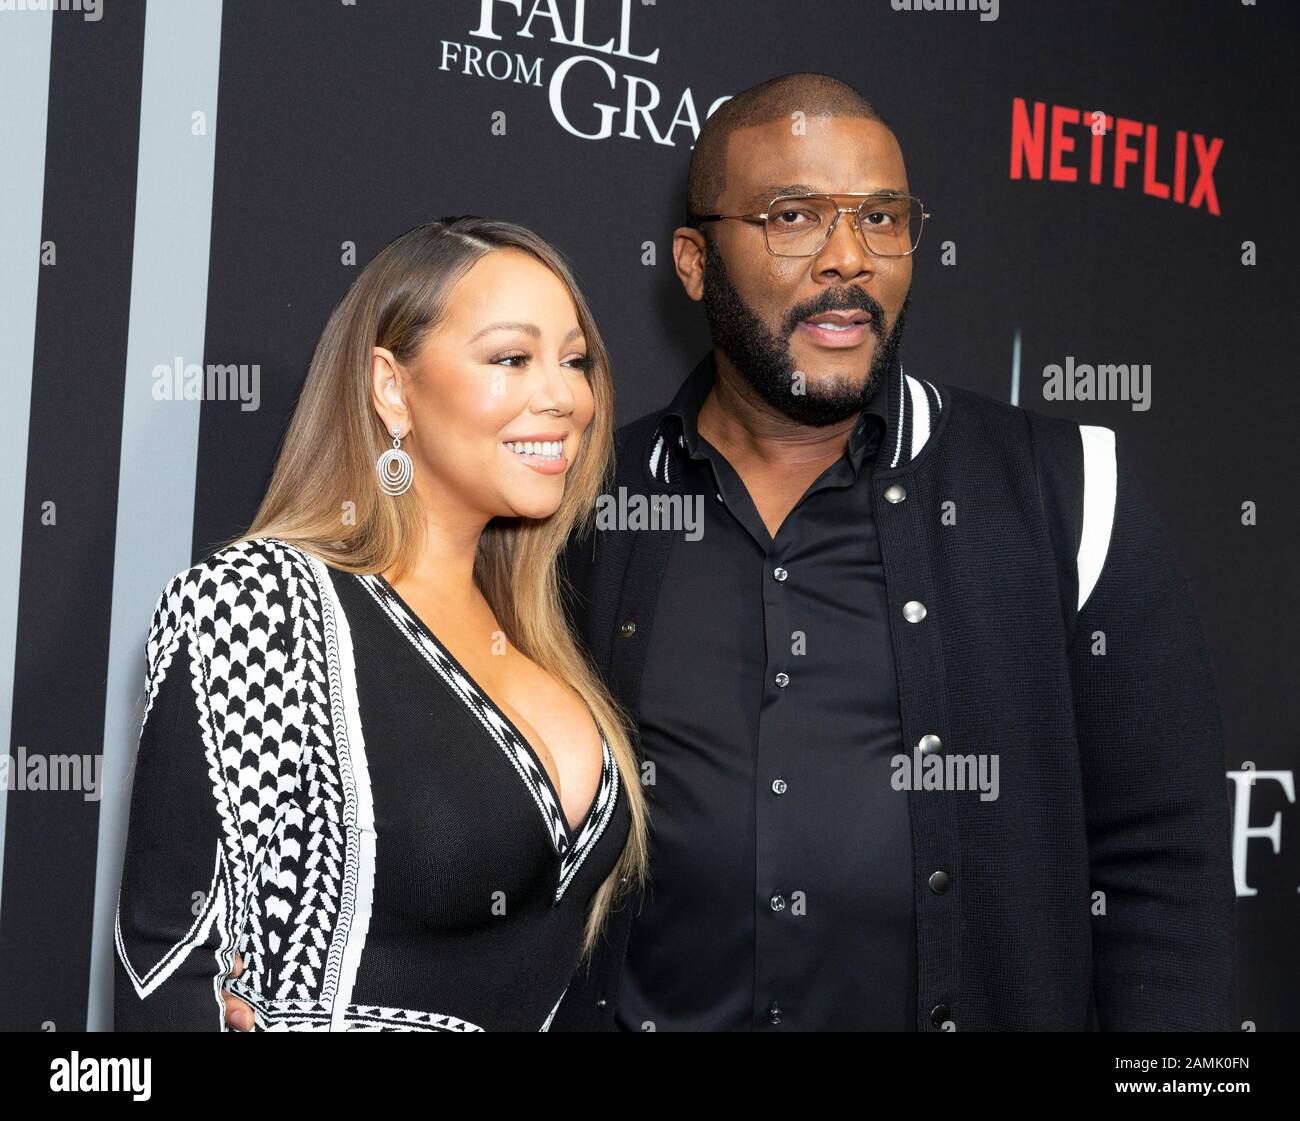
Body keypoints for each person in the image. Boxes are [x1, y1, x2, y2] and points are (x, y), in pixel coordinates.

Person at [549, 72, 1236, 1031]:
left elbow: (1165, 859)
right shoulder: (576, 506)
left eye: (882, 217)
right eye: (794, 216)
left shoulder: (1064, 492)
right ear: (695, 261)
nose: (849, 258)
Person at [113, 218, 648, 1031]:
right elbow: (164, 969)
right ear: (391, 387)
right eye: (512, 357)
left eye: (575, 361)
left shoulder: (539, 635)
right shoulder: (264, 604)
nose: (565, 395)